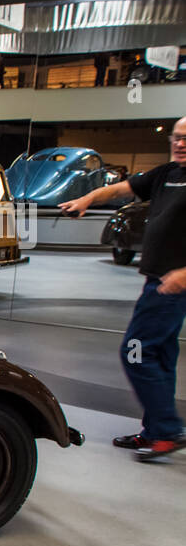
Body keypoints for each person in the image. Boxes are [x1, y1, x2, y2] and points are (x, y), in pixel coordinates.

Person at [59, 116, 186, 460]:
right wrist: (87, 199)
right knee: (158, 356)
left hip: (172, 286)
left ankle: (167, 430)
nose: (179, 143)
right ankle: (156, 433)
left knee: (135, 353)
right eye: (176, 137)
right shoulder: (166, 174)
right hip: (157, 280)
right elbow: (121, 189)